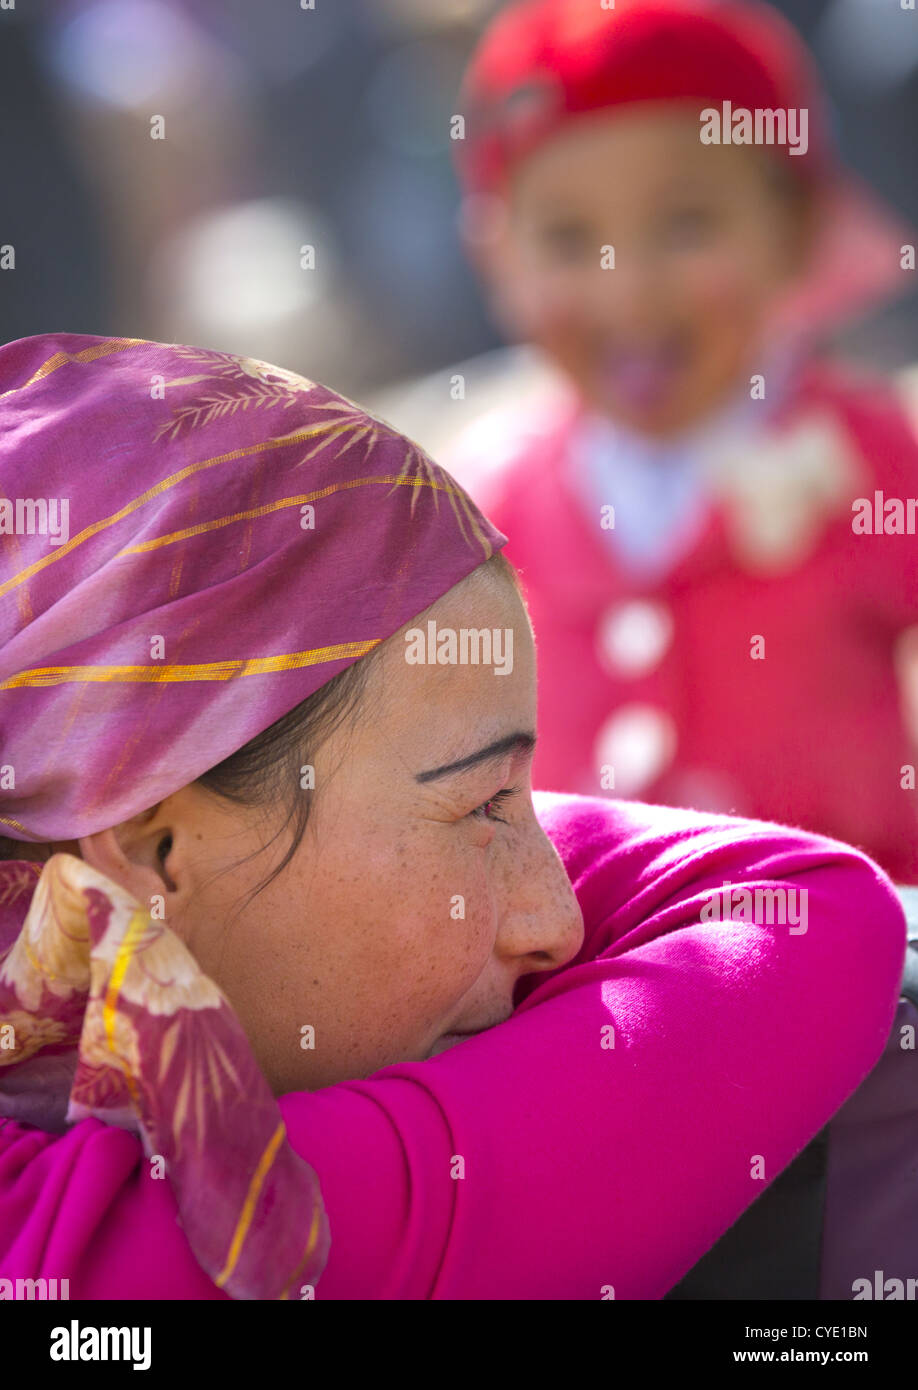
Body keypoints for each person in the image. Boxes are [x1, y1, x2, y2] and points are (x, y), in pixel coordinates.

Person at [0, 333, 906, 1300]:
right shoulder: (184, 1241)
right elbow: (815, 912)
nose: (556, 925)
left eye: (523, 794)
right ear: (155, 851)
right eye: (482, 805)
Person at [448, 0, 918, 882]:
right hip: (599, 958)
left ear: (795, 227)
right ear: (498, 257)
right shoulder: (482, 514)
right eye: (568, 239)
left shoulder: (876, 462)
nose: (629, 293)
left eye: (687, 224)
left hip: (858, 952)